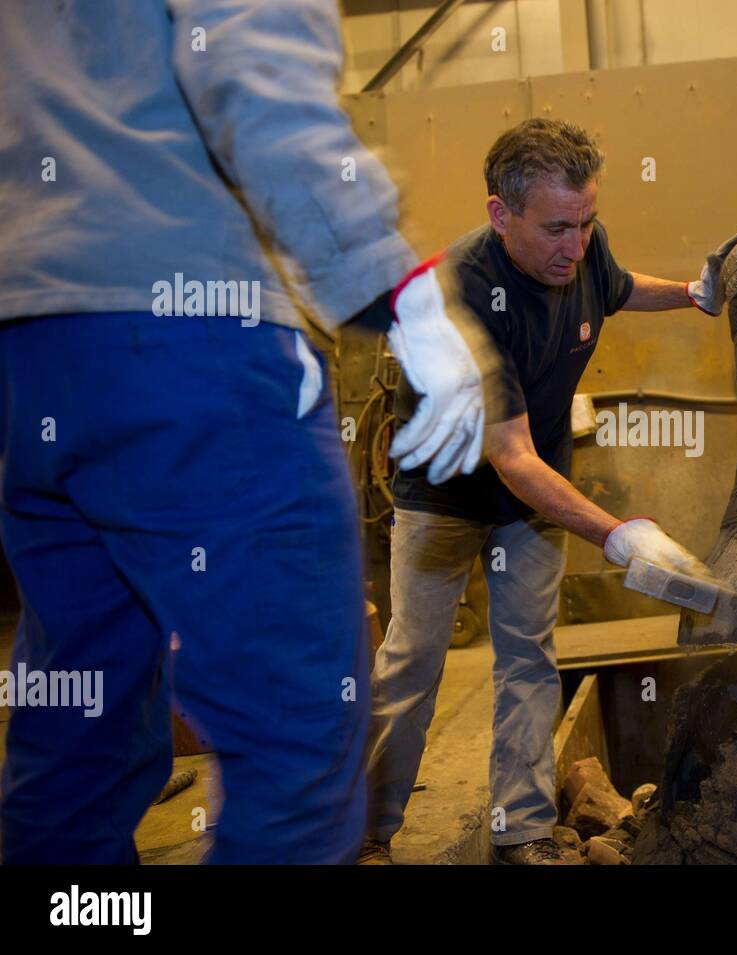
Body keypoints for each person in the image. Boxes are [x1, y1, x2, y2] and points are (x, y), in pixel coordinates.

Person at [0, 0, 496, 863]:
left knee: (77, 729)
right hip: (189, 325)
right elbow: (257, 69)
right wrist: (403, 293)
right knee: (297, 733)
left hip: (32, 346)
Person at [362, 118, 723, 865]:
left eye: (587, 221)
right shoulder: (455, 297)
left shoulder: (582, 245)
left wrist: (693, 293)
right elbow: (511, 456)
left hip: (532, 490)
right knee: (413, 663)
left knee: (528, 656)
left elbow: (618, 289)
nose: (577, 244)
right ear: (501, 214)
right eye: (558, 227)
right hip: (445, 498)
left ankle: (520, 829)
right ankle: (362, 831)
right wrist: (618, 535)